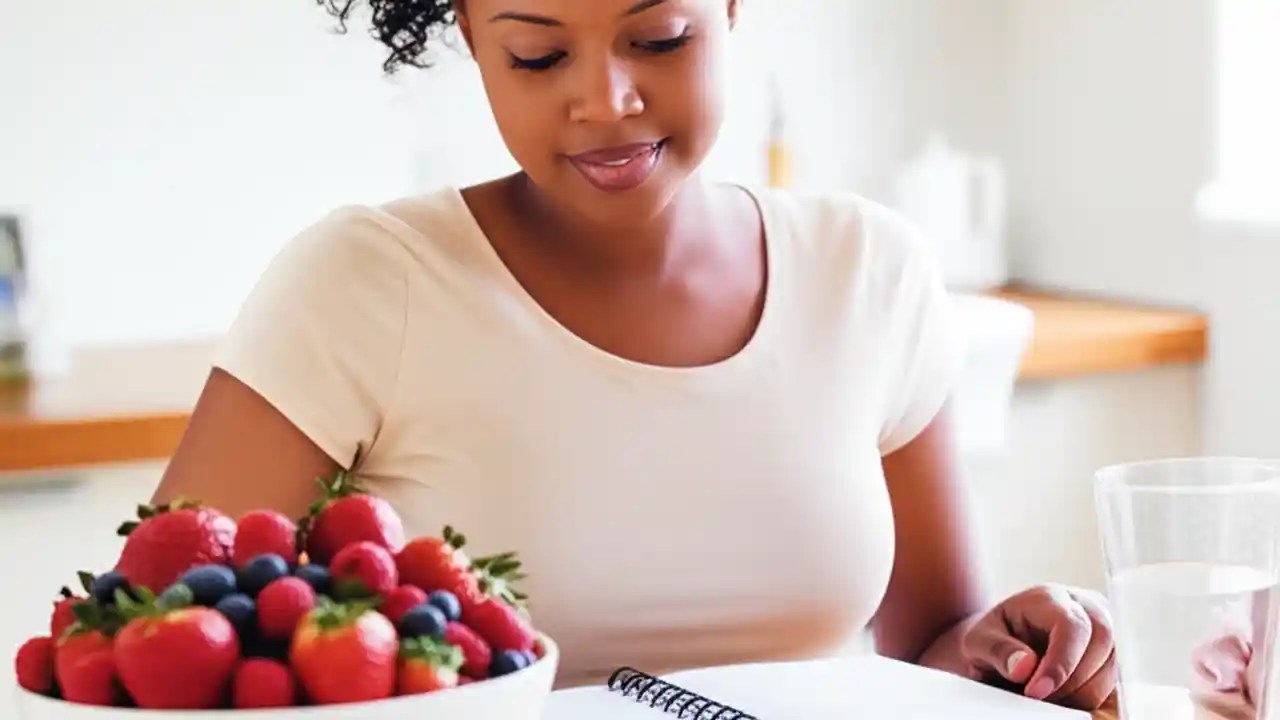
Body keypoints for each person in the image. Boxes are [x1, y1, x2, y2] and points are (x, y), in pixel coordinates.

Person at [152, 0, 1117, 708]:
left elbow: (932, 655)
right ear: (470, 33)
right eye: (538, 56)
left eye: (658, 39)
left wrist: (1016, 654)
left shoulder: (869, 271)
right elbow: (155, 648)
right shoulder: (366, 282)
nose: (606, 101)